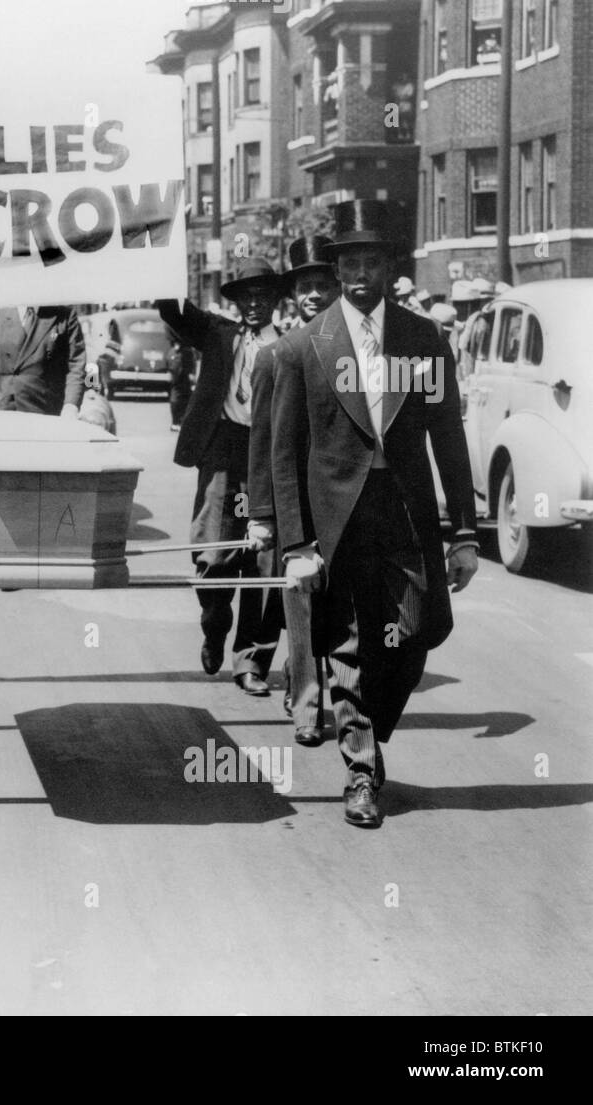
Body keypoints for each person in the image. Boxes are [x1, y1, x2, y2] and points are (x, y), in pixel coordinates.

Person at [270, 199, 478, 829]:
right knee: (353, 642)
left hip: (404, 512)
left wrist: (465, 532)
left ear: (390, 267)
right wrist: (295, 545)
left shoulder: (424, 339)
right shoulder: (302, 348)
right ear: (337, 272)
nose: (360, 274)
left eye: (372, 261)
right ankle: (361, 768)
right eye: (349, 263)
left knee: (418, 634)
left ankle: (369, 732)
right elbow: (284, 456)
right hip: (339, 522)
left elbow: (448, 436)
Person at [158, 257, 283, 694]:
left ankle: (251, 661)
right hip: (222, 453)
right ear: (236, 302)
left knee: (264, 563)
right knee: (212, 554)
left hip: (266, 459)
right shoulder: (218, 334)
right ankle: (215, 625)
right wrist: (160, 261)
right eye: (246, 296)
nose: (254, 303)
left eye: (262, 295)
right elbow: (175, 312)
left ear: (274, 300)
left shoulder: (289, 346)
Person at [247, 236, 340, 747]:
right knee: (301, 601)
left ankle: (327, 685)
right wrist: (262, 514)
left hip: (346, 499)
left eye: (323, 285)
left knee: (337, 607)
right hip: (295, 503)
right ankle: (307, 704)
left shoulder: (360, 351)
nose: (314, 295)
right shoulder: (275, 356)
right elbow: (262, 443)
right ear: (293, 295)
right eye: (305, 286)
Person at [0, 305, 85, 418]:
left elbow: (75, 366)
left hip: (46, 412)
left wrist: (70, 406)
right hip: (5, 412)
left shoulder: (64, 315)